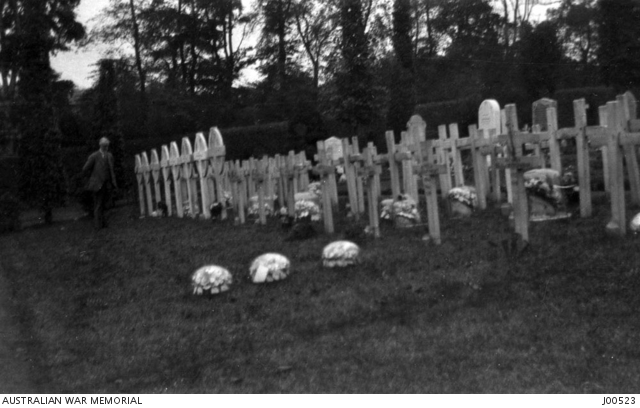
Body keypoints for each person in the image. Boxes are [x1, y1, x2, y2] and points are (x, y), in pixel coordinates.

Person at [83, 137, 118, 229]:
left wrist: (113, 182)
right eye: (104, 146)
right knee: (98, 205)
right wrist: (94, 176)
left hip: (107, 184)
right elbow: (85, 168)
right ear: (100, 146)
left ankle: (104, 223)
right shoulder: (94, 156)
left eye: (107, 146)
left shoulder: (109, 156)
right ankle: (98, 225)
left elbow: (111, 170)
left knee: (105, 204)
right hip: (97, 185)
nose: (106, 148)